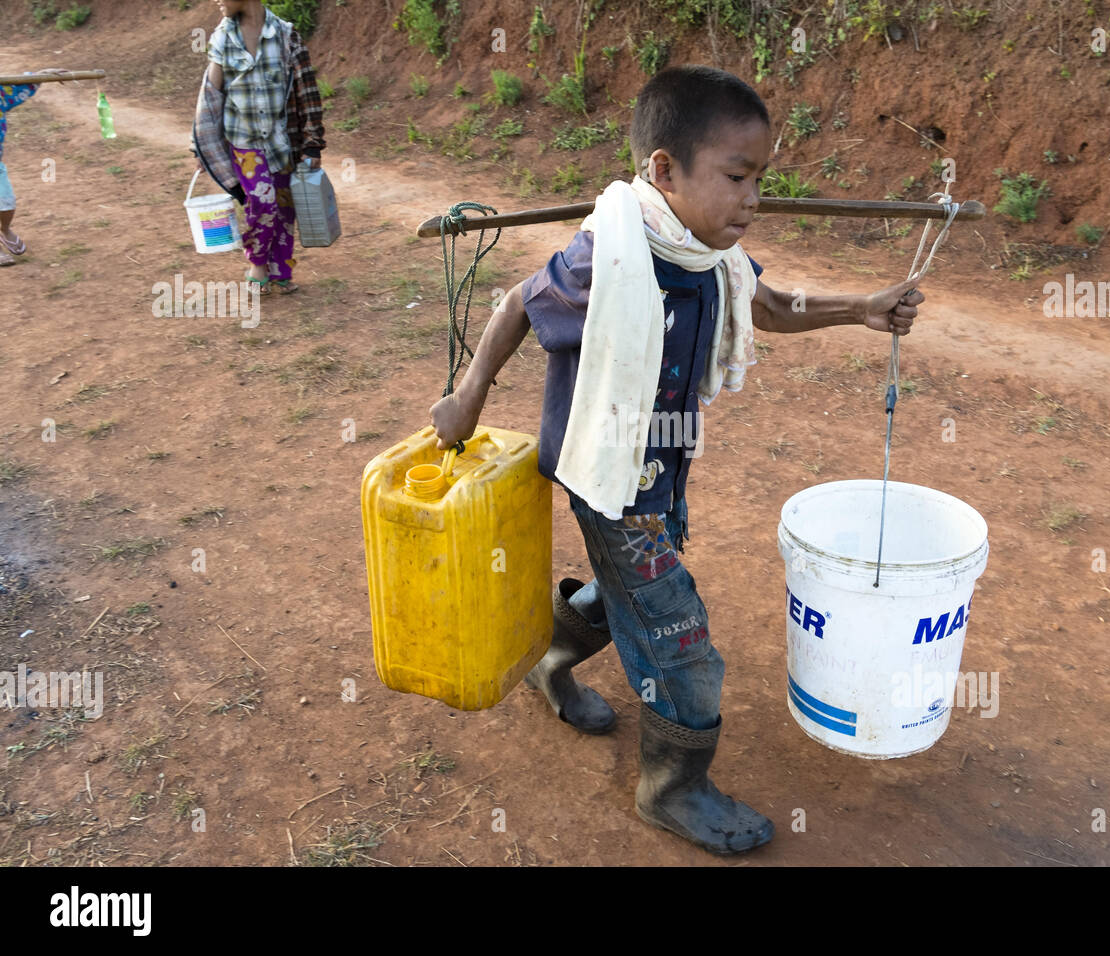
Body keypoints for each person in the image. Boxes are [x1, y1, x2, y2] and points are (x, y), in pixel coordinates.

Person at [430, 65, 923, 856]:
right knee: (681, 636)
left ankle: (549, 660)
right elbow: (518, 302)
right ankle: (673, 787)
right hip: (607, 477)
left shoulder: (708, 253)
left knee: (628, 590)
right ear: (665, 170)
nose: (754, 199)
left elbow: (765, 306)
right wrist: (469, 396)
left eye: (761, 178)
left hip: (658, 473)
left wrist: (860, 310)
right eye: (737, 176)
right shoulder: (610, 256)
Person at [197, 0, 324, 294]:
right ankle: (257, 263)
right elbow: (210, 98)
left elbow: (308, 92)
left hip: (282, 143)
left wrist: (313, 144)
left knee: (284, 207)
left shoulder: (286, 36)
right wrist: (200, 145)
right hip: (244, 145)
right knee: (262, 203)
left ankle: (281, 270)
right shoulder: (222, 38)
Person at [0, 69, 70, 266]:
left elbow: (19, 84)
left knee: (7, 204)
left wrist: (40, 75)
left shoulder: (0, 95)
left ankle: (4, 230)